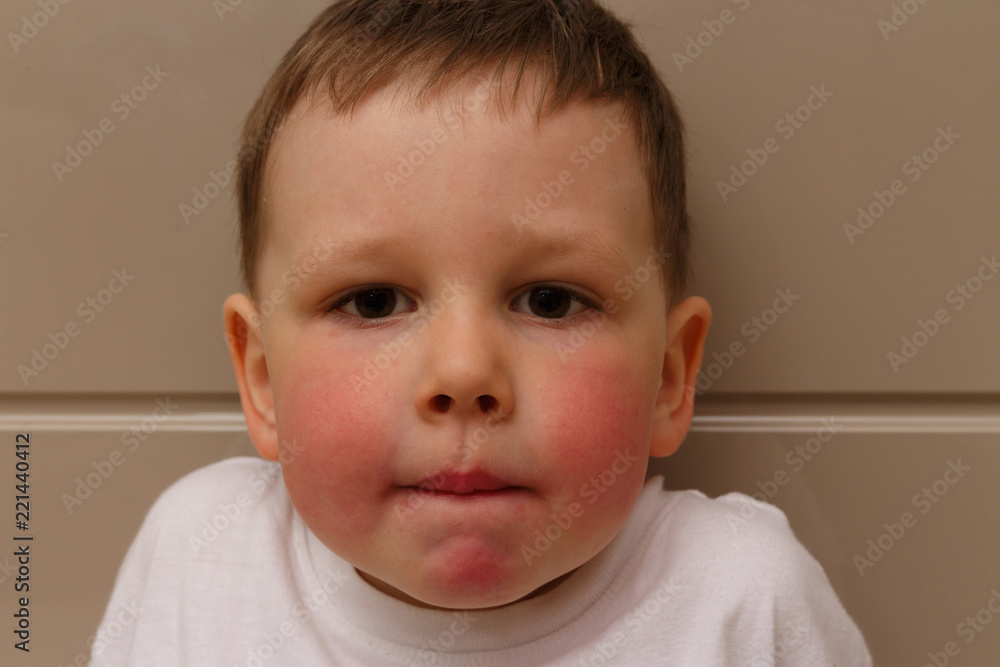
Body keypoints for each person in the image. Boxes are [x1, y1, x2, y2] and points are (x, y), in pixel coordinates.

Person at [91, 1, 872, 664]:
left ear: (669, 376)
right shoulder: (200, 559)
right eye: (371, 301)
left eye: (551, 301)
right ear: (261, 380)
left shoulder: (740, 602)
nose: (464, 372)